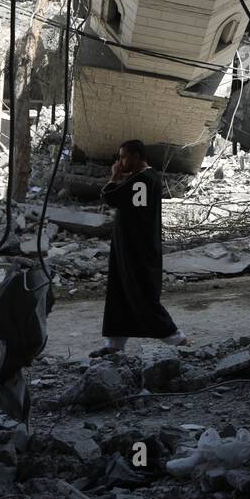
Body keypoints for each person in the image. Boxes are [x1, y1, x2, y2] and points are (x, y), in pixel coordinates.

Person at [91, 139, 188, 356]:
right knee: (120, 293)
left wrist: (114, 178)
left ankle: (177, 338)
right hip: (128, 248)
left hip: (137, 250)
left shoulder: (142, 181)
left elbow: (112, 198)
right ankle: (114, 344)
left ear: (136, 156)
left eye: (123, 157)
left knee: (142, 295)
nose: (120, 162)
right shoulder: (143, 178)